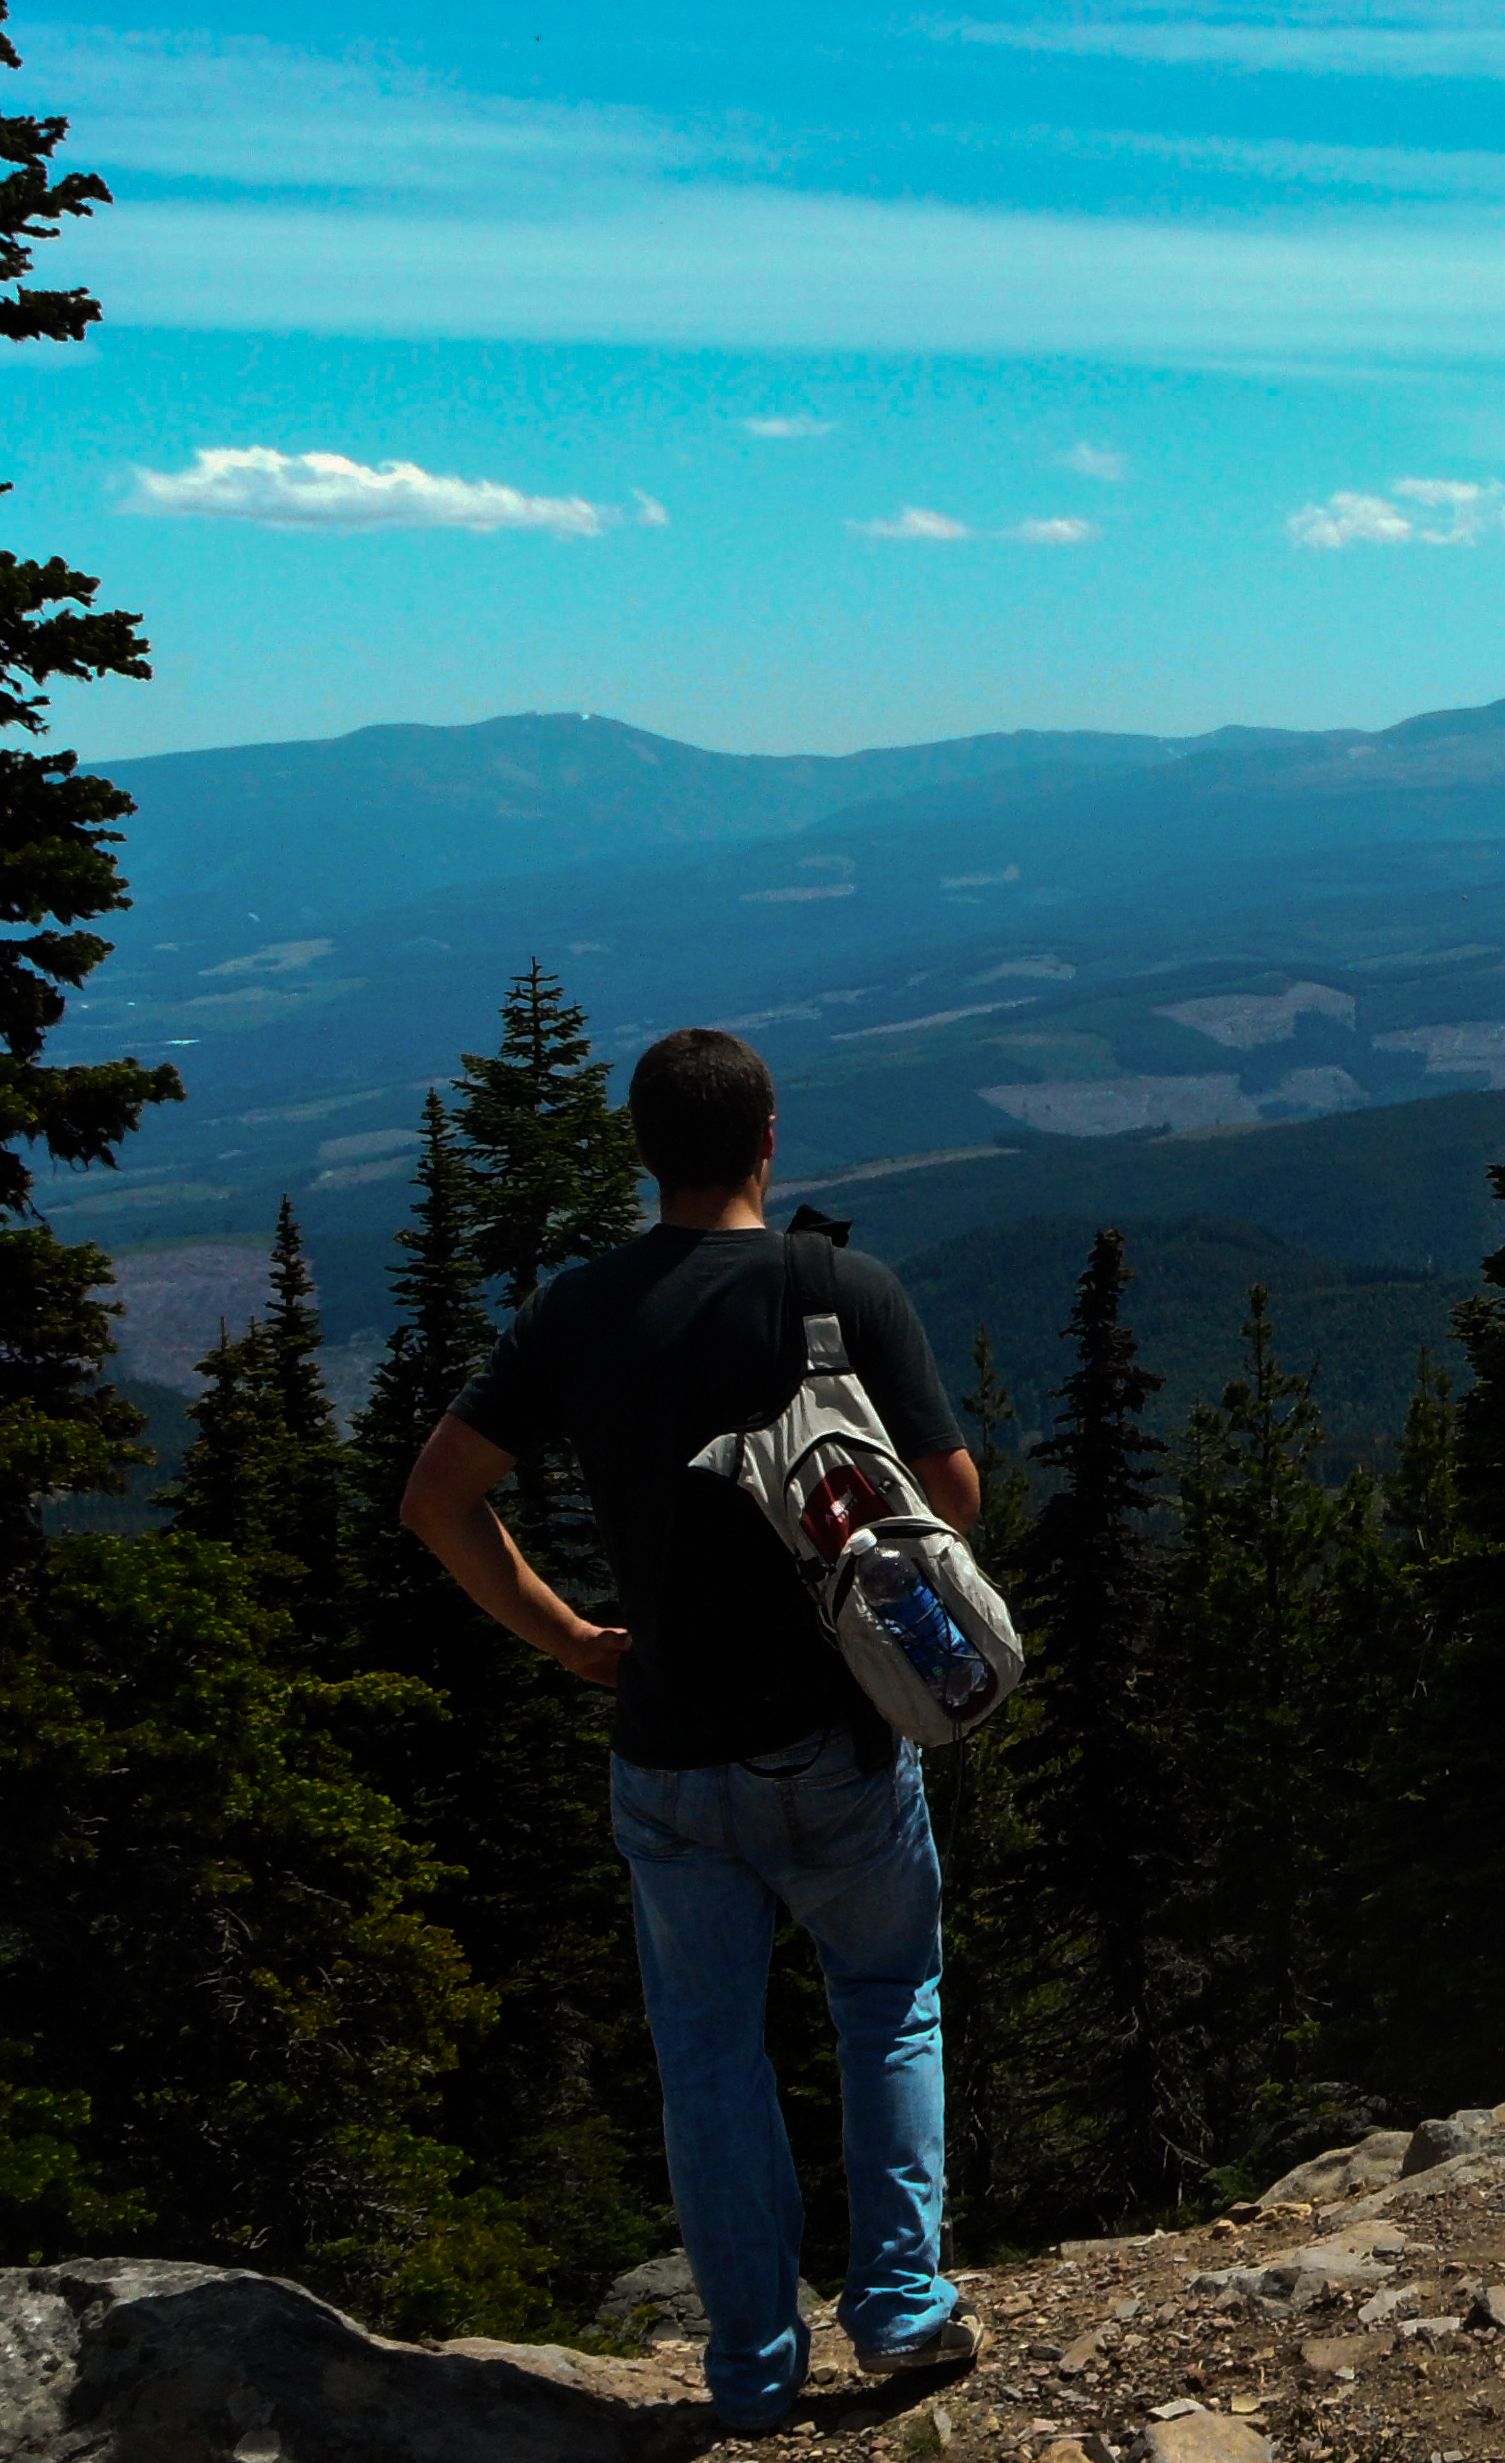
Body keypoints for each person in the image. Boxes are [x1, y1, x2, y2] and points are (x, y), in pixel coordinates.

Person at [400, 1027, 983, 2432]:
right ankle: (900, 2304)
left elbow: (438, 1498)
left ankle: (750, 2371)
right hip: (838, 1739)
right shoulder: (841, 1290)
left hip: (668, 1754)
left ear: (642, 1150)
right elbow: (951, 1502)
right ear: (768, 1137)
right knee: (886, 2000)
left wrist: (568, 1639)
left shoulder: (578, 1313)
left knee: (709, 2053)